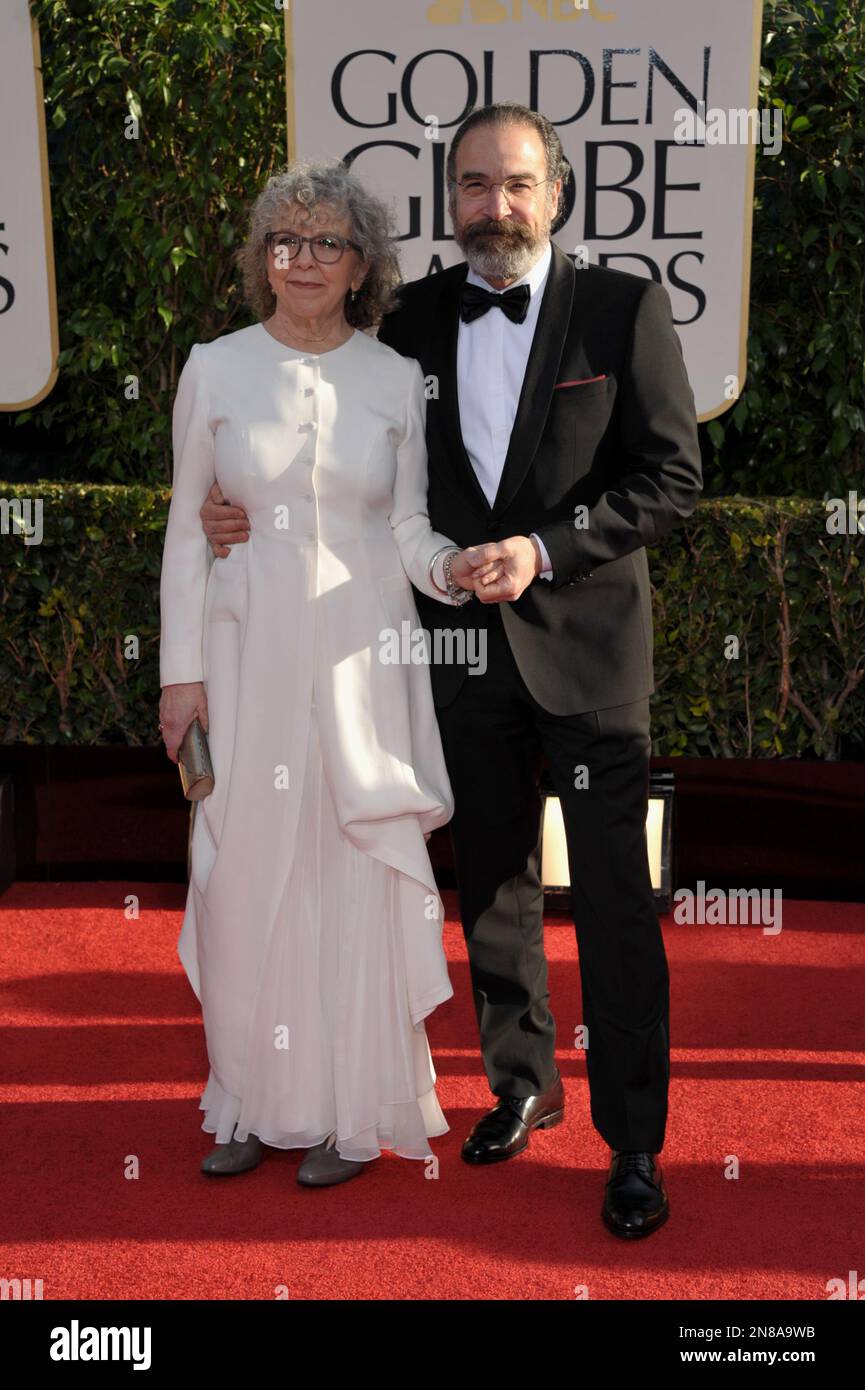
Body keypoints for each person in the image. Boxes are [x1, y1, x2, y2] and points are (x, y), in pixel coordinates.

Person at [200, 103, 703, 1237]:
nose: (495, 206)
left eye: (516, 184)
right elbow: (341, 456)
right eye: (474, 185)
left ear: (556, 195)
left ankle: (633, 1144)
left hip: (587, 656)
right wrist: (234, 508)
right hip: (459, 657)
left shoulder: (622, 310)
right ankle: (519, 1083)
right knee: (493, 892)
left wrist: (545, 549)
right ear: (450, 199)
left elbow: (669, 476)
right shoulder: (413, 321)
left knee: (617, 903)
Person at [158, 158, 497, 1188]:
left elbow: (403, 523)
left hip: (362, 662)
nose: (303, 260)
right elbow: (186, 527)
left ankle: (351, 1107)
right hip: (245, 654)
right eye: (284, 241)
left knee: (349, 870)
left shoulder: (394, 378)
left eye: (326, 243)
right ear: (263, 259)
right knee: (244, 876)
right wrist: (180, 677)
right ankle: (254, 1105)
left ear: (362, 266)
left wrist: (451, 568)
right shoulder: (214, 368)